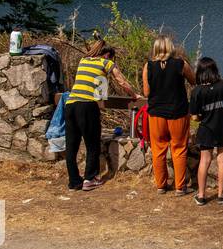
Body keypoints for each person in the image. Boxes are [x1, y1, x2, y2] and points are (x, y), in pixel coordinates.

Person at [64, 39, 137, 191]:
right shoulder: (106, 63)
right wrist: (134, 95)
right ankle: (90, 179)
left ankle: (74, 181)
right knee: (92, 144)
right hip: (86, 106)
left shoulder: (83, 61)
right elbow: (121, 82)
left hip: (70, 105)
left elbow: (96, 85)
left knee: (71, 146)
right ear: (108, 54)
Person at [142, 34, 195, 194]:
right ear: (170, 48)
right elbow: (194, 82)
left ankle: (161, 185)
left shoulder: (148, 66)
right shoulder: (181, 64)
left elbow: (146, 92)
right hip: (178, 112)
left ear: (156, 48)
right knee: (179, 148)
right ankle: (180, 186)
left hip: (156, 113)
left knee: (158, 150)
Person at [189, 57, 223, 206]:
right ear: (215, 70)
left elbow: (195, 117)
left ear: (200, 72)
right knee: (222, 160)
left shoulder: (196, 91)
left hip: (207, 129)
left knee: (204, 161)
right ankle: (221, 195)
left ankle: (201, 195)